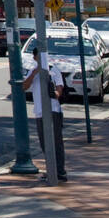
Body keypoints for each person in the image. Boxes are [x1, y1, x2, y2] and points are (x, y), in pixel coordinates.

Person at [23, 47, 67, 181]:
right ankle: (50, 169)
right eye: (38, 57)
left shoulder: (53, 70)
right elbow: (24, 86)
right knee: (44, 143)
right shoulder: (32, 71)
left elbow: (60, 89)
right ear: (35, 58)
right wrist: (34, 73)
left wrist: (55, 94)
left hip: (53, 110)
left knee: (56, 142)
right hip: (39, 112)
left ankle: (60, 171)